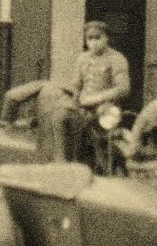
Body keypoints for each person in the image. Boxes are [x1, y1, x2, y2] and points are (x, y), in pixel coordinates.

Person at [54, 21, 131, 164]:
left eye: (98, 37)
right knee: (61, 115)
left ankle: (101, 164)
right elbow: (76, 84)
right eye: (90, 39)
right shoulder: (82, 58)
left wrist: (96, 98)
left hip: (107, 108)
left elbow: (124, 88)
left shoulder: (117, 59)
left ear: (107, 38)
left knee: (92, 125)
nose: (94, 42)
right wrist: (71, 92)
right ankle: (63, 160)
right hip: (83, 105)